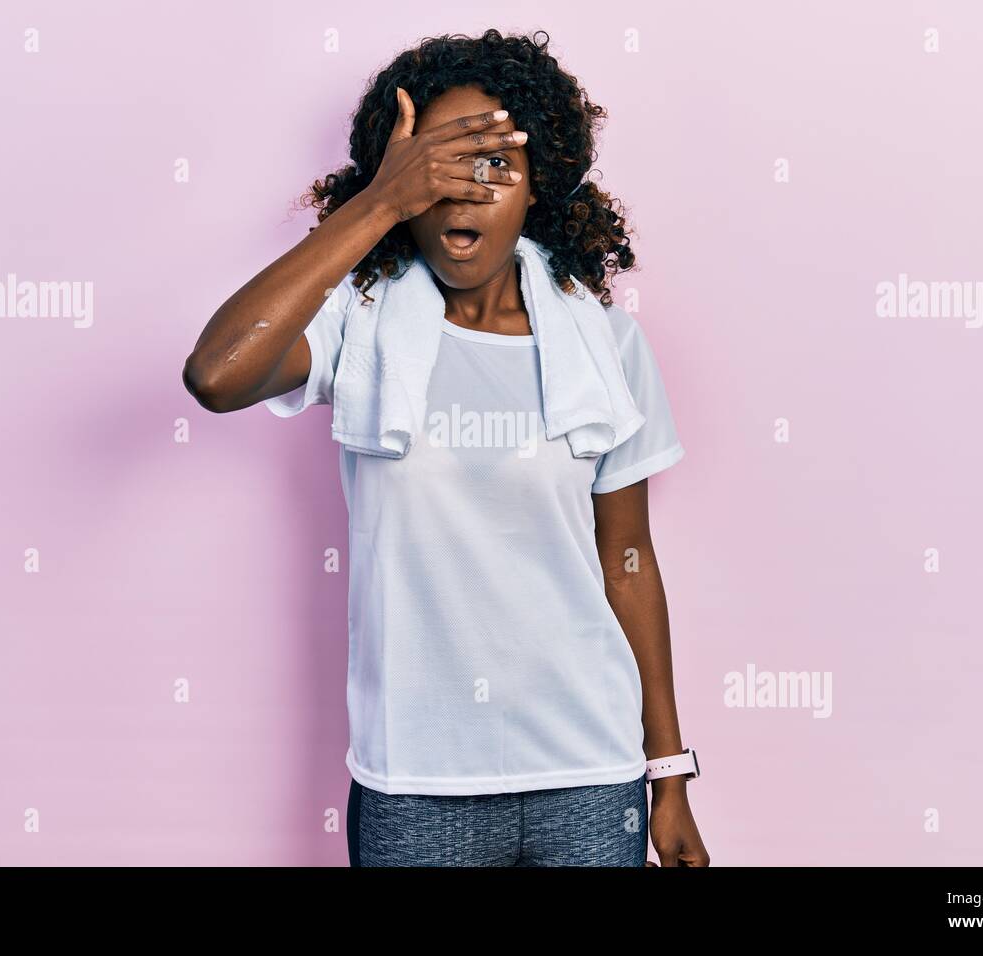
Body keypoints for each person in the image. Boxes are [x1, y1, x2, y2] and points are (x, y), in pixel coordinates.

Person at [183, 28, 709, 867]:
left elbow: (628, 560)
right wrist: (378, 205)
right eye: (438, 166)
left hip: (590, 771)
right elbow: (216, 374)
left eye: (496, 163)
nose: (465, 190)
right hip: (416, 780)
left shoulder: (606, 345)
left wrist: (668, 771)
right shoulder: (358, 327)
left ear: (538, 188)